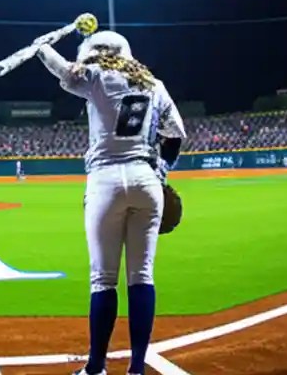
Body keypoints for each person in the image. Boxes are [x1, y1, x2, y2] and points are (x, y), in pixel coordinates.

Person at [34, 27, 185, 375]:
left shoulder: (97, 76)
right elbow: (176, 133)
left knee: (103, 279)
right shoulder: (155, 85)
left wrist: (41, 47)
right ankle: (136, 369)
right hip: (146, 182)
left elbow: (62, 70)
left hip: (105, 180)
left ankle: (96, 367)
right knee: (142, 276)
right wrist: (160, 172)